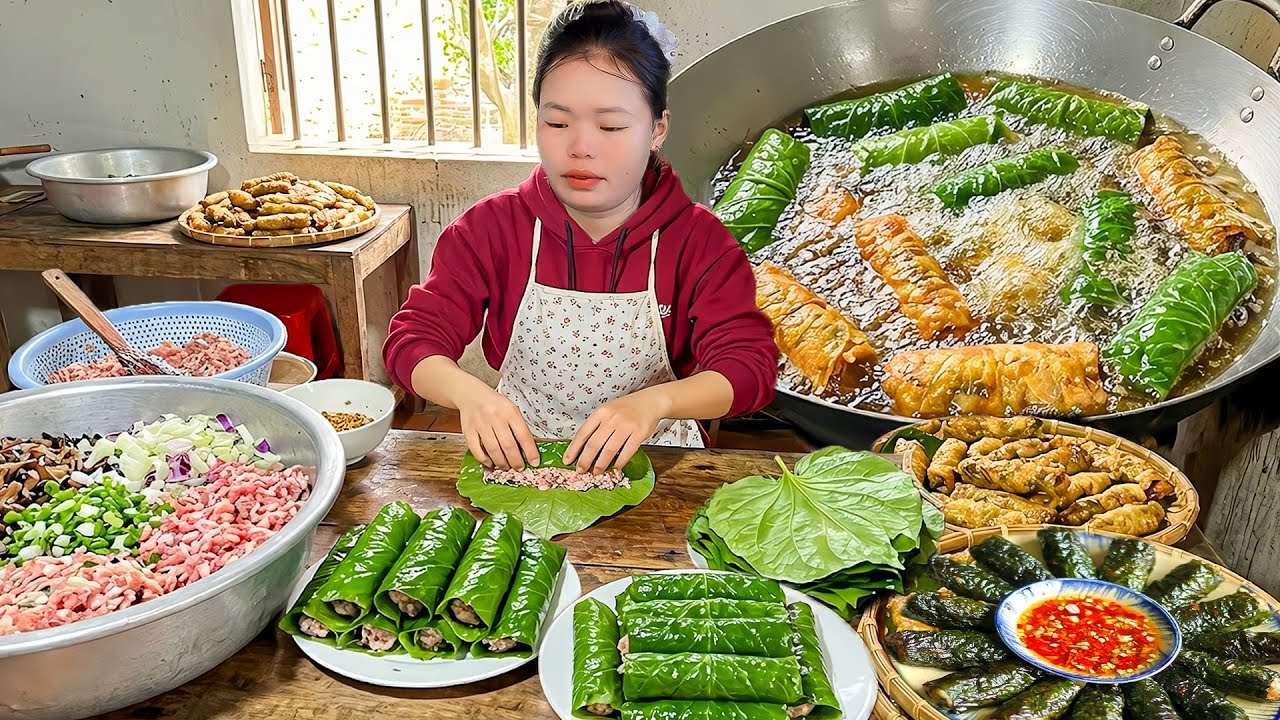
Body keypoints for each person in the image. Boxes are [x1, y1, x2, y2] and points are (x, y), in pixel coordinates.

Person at [383, 0, 777, 475]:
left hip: (658, 464)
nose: (581, 147)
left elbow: (750, 368)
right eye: (557, 122)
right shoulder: (490, 229)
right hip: (520, 459)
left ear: (657, 129)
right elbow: (412, 340)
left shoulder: (699, 242)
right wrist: (470, 396)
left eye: (610, 125)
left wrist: (653, 404)